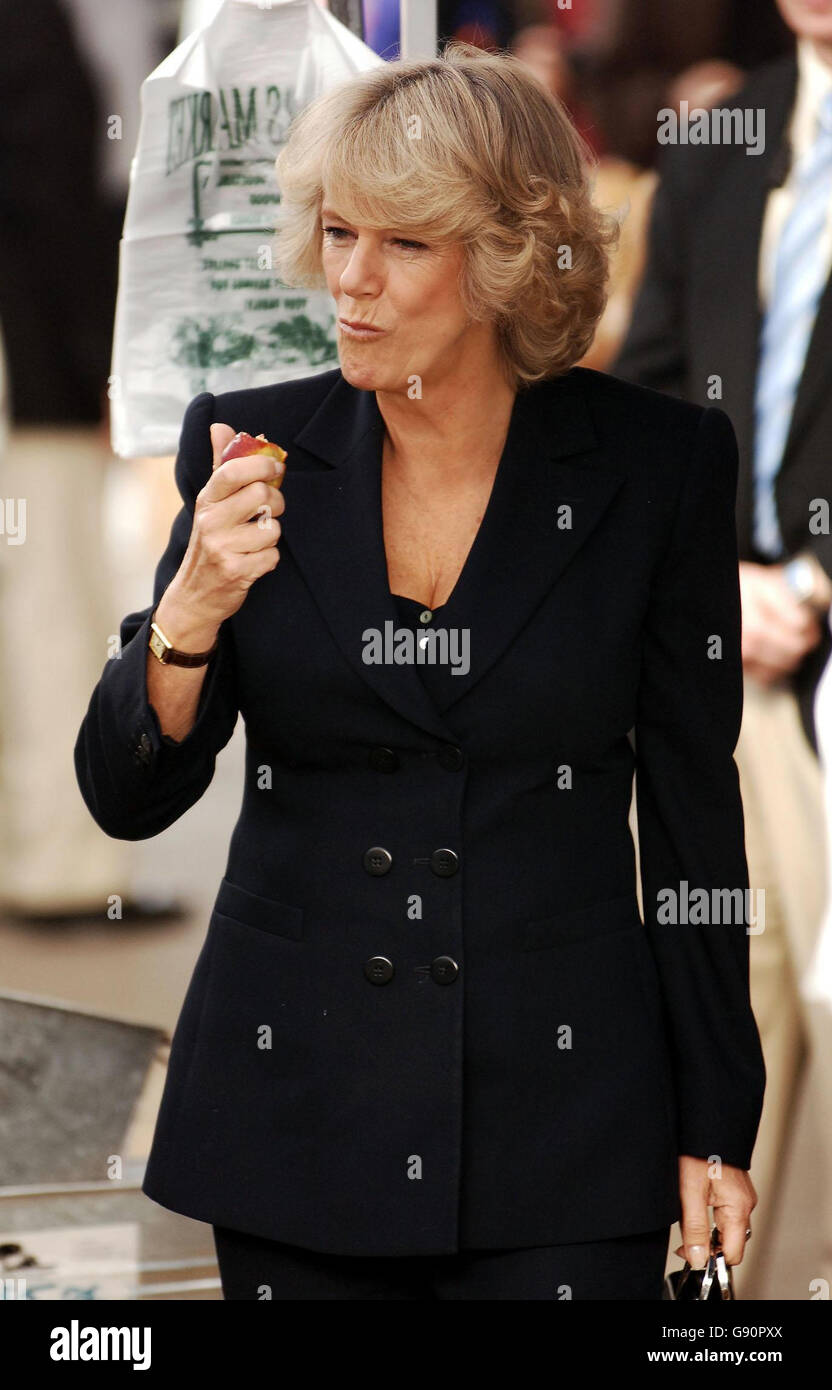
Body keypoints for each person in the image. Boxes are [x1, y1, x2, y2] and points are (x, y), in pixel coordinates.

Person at [74, 42, 764, 1301]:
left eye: (402, 246)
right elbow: (127, 795)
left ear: (503, 262)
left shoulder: (658, 466)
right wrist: (188, 609)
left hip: (562, 1118)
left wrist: (715, 1115)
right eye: (338, 232)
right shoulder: (249, 446)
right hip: (296, 1110)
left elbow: (692, 821)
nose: (349, 280)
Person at [613, 0, 832, 1296]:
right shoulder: (719, 144)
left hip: (814, 648)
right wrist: (710, 582)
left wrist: (812, 580)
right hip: (716, 654)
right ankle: (705, 1297)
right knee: (712, 995)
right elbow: (645, 398)